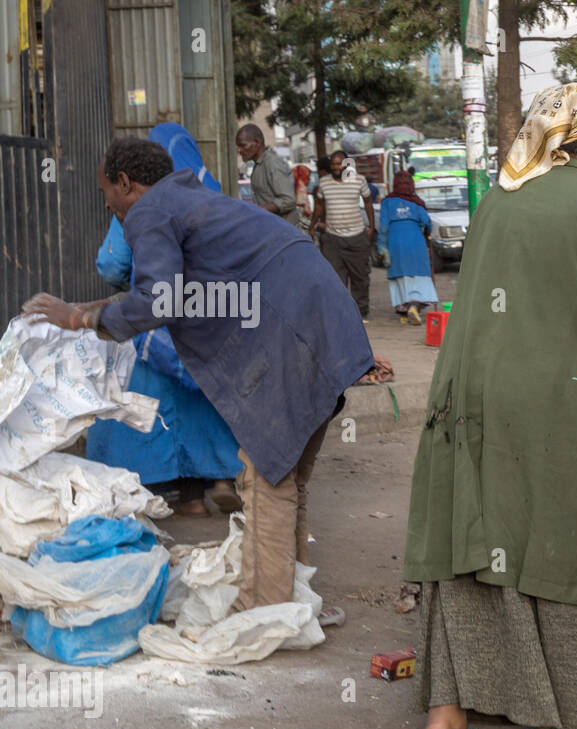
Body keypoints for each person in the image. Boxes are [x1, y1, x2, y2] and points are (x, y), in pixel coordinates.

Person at [21, 137, 374, 624]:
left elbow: (158, 299)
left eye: (107, 191)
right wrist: (84, 311)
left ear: (126, 183)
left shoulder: (149, 212)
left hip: (288, 332)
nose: (107, 203)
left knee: (267, 476)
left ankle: (264, 610)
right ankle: (294, 599)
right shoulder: (192, 197)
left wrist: (79, 321)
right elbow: (173, 294)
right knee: (288, 475)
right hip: (326, 322)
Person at [403, 83, 577, 729]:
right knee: (557, 540)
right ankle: (560, 721)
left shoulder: (501, 193)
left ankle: (445, 716)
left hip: (470, 387)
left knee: (468, 532)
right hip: (564, 393)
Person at [89, 122, 242, 516]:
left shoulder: (141, 202)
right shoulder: (210, 187)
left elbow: (112, 263)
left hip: (160, 317)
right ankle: (223, 477)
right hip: (217, 313)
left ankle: (187, 498)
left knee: (158, 396)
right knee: (209, 395)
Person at [310, 150, 376, 320]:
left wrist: (371, 228)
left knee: (360, 278)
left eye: (339, 163)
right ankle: (340, 313)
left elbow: (368, 203)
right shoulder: (324, 183)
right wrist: (311, 226)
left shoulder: (359, 180)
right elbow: (319, 207)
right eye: (333, 164)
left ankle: (361, 312)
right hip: (332, 239)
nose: (336, 167)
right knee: (335, 279)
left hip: (357, 237)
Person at [377, 170, 438, 324]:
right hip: (415, 242)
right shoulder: (416, 202)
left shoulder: (387, 202)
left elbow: (383, 226)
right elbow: (426, 222)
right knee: (417, 275)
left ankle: (403, 313)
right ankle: (414, 306)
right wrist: (427, 232)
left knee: (399, 275)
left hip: (395, 243)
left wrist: (381, 247)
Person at [235, 124, 298, 227]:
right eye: (238, 146)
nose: (239, 150)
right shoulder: (258, 166)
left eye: (243, 145)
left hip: (285, 234)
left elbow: (289, 200)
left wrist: (257, 209)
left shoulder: (273, 164)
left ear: (257, 143)